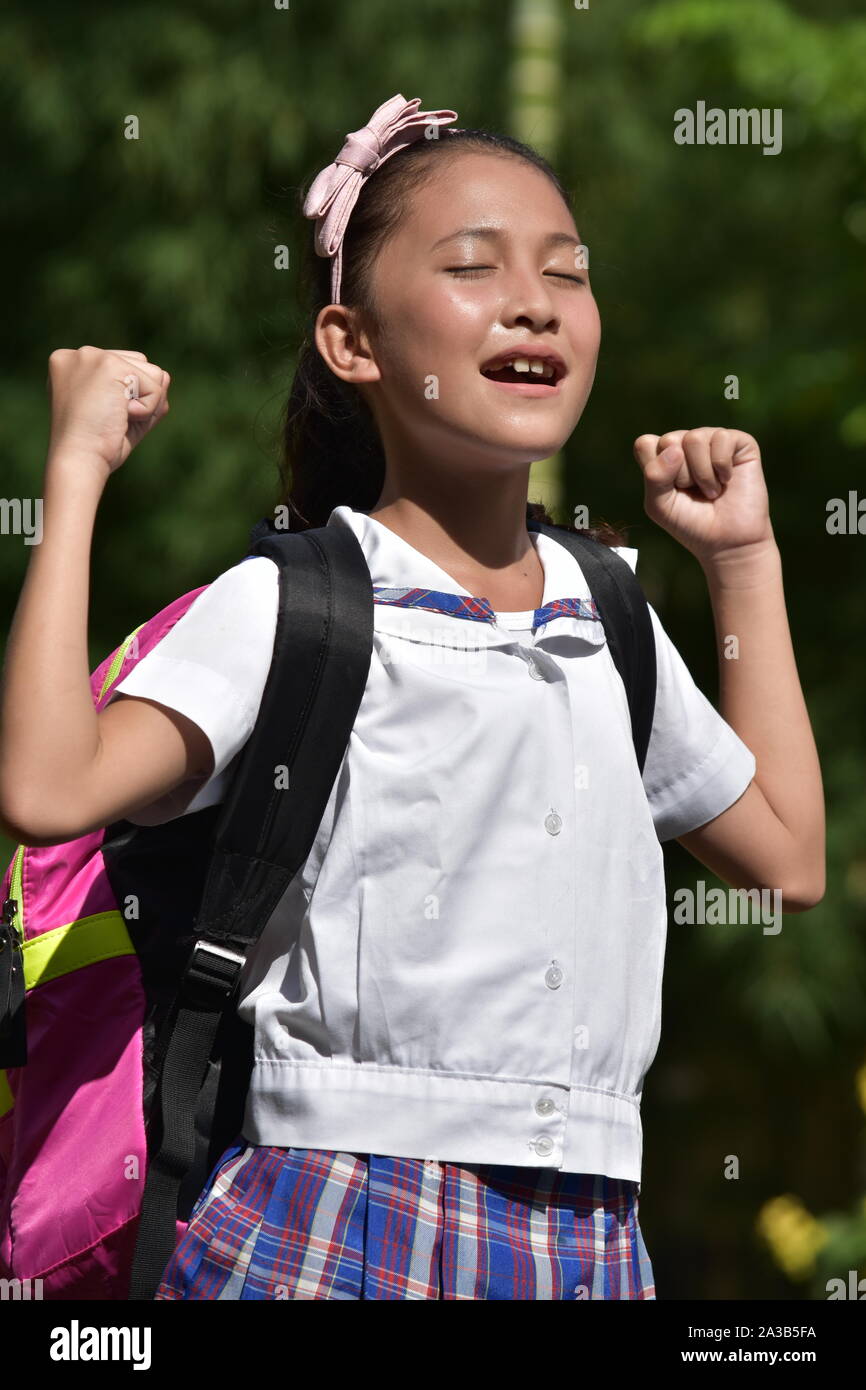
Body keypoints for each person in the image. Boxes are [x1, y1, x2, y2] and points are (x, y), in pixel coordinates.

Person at [0, 94, 825, 1301]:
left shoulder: (607, 618)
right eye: (471, 267)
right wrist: (72, 473)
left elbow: (788, 857)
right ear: (351, 342)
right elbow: (44, 786)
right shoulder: (298, 603)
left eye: (566, 272)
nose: (535, 301)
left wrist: (741, 564)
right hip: (332, 1220)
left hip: (593, 1238)